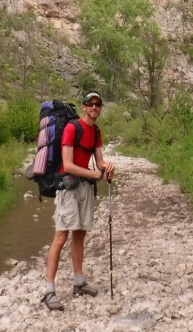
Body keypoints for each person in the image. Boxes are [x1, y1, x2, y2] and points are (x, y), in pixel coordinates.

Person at [42, 91, 115, 311]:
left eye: (98, 104)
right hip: (69, 188)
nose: (94, 107)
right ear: (83, 107)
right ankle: (49, 291)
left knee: (80, 234)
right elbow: (68, 164)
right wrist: (95, 175)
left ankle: (79, 282)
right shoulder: (72, 128)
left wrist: (107, 167)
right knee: (61, 236)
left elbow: (99, 161)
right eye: (90, 104)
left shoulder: (96, 132)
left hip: (85, 187)